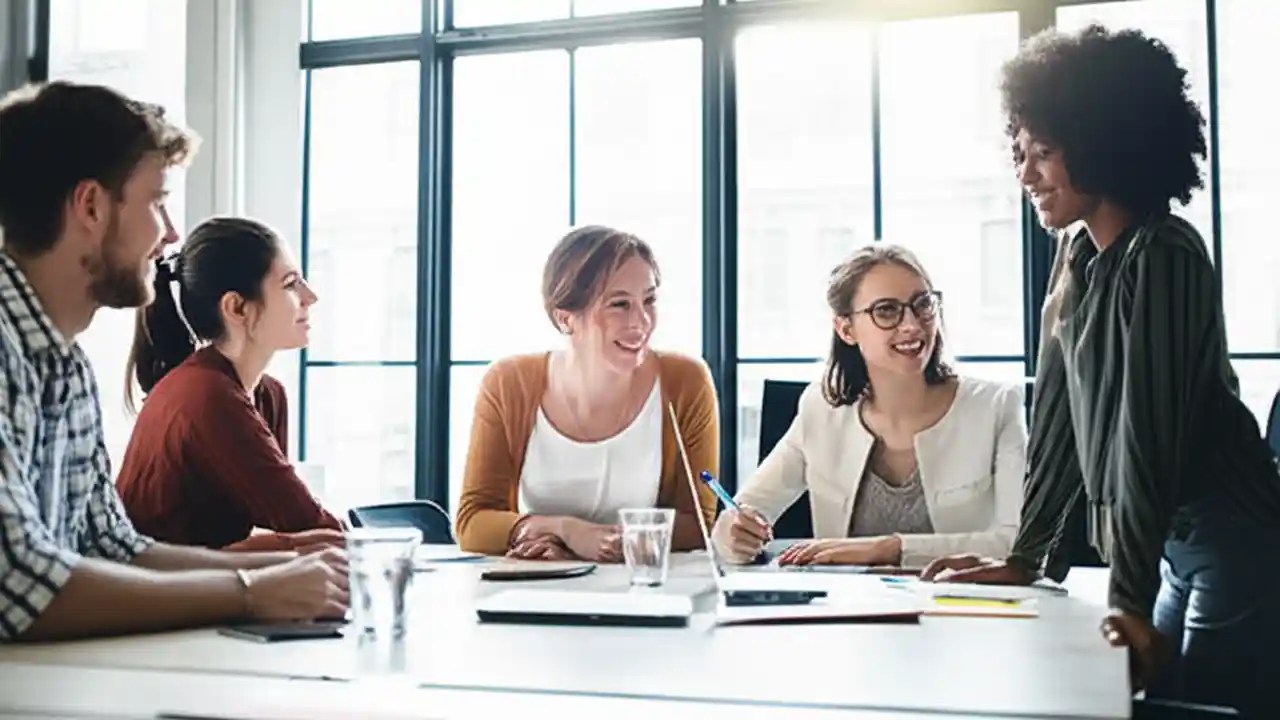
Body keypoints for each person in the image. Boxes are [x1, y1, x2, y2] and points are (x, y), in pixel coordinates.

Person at [923, 26, 1280, 717]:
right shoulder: (1076, 256)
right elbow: (1059, 419)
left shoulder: (1165, 254)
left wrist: (1127, 604)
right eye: (1019, 154)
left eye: (1043, 153)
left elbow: (1148, 439)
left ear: (1100, 143)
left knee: (1191, 707)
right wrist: (1027, 558)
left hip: (1236, 544)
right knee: (1145, 704)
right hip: (1176, 547)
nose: (1025, 175)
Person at [0, 81, 346, 642]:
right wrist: (251, 592)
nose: (171, 233)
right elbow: (17, 582)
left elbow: (114, 548)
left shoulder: (67, 365)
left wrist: (285, 566)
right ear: (91, 206)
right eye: (156, 202)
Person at [713, 244, 1026, 568]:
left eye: (923, 304)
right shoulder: (820, 409)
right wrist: (734, 534)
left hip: (961, 597)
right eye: (886, 311)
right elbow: (740, 515)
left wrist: (889, 549)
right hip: (846, 599)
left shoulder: (997, 407)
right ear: (846, 329)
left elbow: (1015, 543)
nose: (912, 325)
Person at [455, 225, 718, 561]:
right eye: (619, 304)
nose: (641, 321)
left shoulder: (686, 382)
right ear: (565, 320)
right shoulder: (508, 383)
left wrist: (594, 545)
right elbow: (473, 523)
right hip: (540, 583)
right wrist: (567, 531)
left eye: (649, 300)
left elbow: (698, 524)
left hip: (642, 585)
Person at [115, 216, 344, 552]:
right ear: (236, 308)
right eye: (290, 284)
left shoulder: (269, 395)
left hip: (207, 580)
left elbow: (296, 523)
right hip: (154, 584)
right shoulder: (206, 395)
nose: (310, 296)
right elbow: (311, 526)